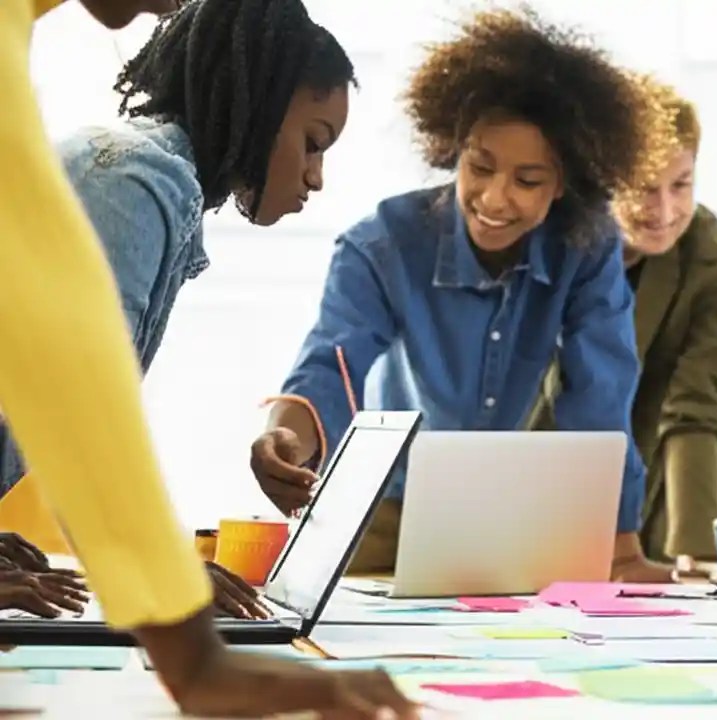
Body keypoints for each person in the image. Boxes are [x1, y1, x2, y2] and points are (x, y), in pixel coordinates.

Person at [2, 0, 414, 716]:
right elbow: (81, 408)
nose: (315, 176)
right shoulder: (135, 177)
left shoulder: (141, 172)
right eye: (313, 141)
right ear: (256, 104)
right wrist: (179, 612)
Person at [248, 8, 672, 583]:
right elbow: (331, 363)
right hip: (384, 508)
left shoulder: (586, 247)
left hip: (508, 516)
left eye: (528, 181)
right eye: (481, 166)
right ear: (455, 148)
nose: (496, 199)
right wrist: (284, 440)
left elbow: (600, 397)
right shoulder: (385, 243)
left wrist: (618, 544)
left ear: (564, 182)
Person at [528, 77, 717, 568]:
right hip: (529, 477)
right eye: (645, 188)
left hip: (637, 512)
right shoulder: (551, 239)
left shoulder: (711, 258)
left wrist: (698, 553)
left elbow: (697, 409)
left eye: (681, 184)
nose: (664, 211)